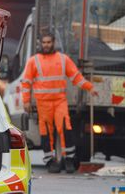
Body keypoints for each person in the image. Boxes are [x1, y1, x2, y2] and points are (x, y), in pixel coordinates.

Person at [21, 33, 97, 173]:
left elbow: (76, 77)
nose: (46, 45)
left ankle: (68, 161)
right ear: (40, 43)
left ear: (54, 43)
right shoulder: (34, 61)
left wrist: (90, 87)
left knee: (65, 128)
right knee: (46, 133)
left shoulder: (63, 59)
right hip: (43, 103)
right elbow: (26, 83)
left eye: (49, 42)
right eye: (44, 42)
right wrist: (26, 101)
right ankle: (50, 162)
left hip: (59, 101)